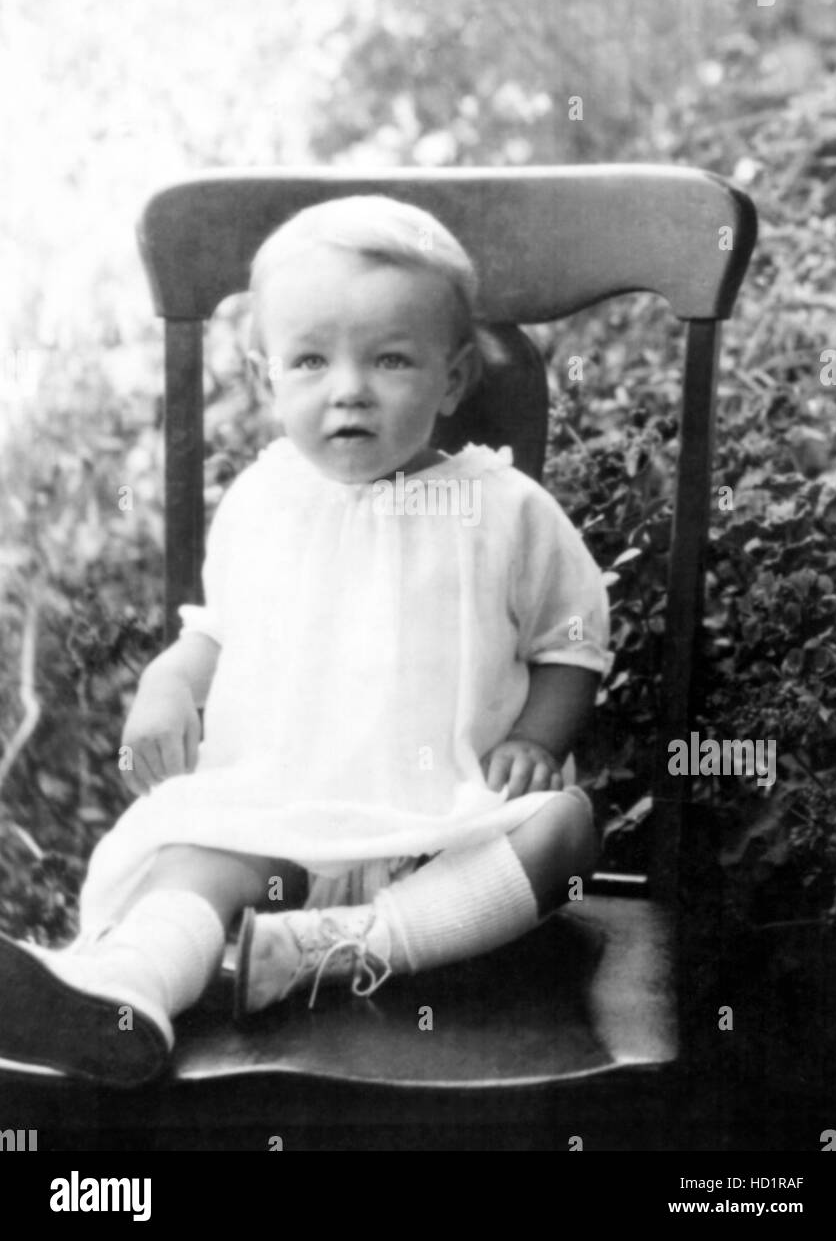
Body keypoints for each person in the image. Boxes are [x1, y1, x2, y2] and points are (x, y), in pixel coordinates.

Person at [0, 195, 610, 1088]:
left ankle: (336, 948)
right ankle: (128, 995)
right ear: (266, 379)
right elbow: (222, 625)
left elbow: (573, 639)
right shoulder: (264, 499)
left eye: (390, 359)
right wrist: (172, 678)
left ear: (449, 380)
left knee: (565, 830)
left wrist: (536, 738)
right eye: (311, 361)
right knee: (192, 860)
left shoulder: (503, 506)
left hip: (440, 829)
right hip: (281, 827)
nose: (348, 387)